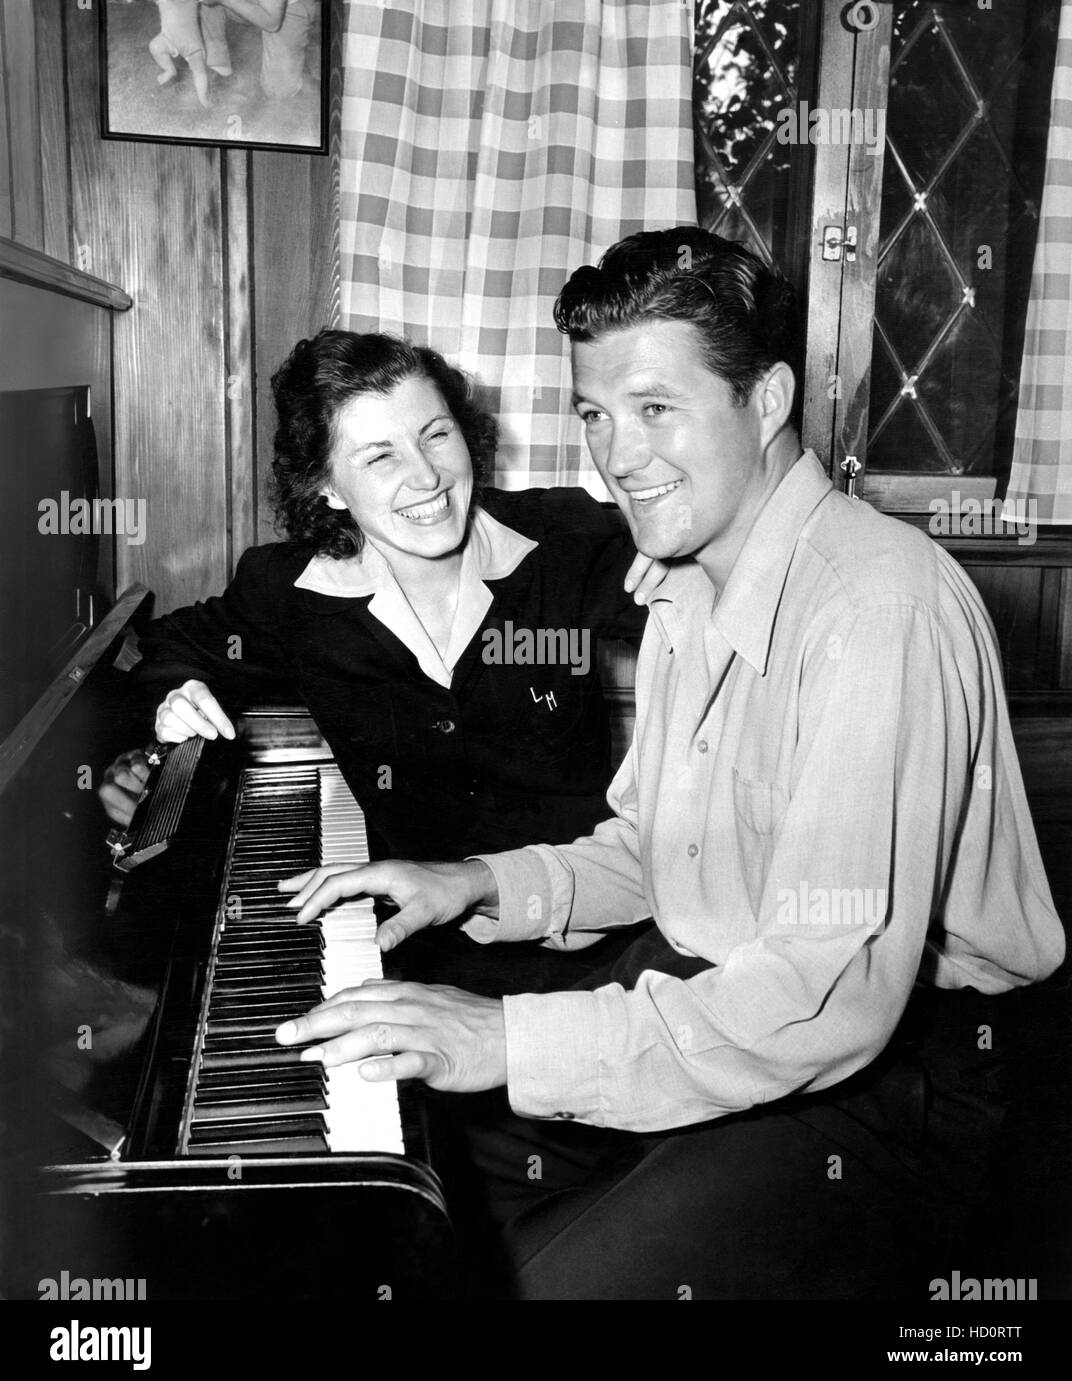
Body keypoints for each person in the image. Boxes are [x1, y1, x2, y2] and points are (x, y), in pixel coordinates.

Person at [271, 228, 1067, 1299]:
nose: (618, 455)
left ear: (769, 399)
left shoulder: (877, 609)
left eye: (656, 407)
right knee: (386, 1195)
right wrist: (475, 883)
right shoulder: (683, 580)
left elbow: (826, 999)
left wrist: (505, 1034)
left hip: (890, 1073)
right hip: (719, 993)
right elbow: (659, 851)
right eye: (596, 415)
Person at [101, 329, 659, 992]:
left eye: (436, 434)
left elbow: (714, 587)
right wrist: (173, 700)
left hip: (590, 939)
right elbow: (167, 647)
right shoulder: (292, 594)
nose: (426, 476)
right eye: (379, 457)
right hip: (423, 950)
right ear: (326, 487)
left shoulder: (565, 540)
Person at [149, 0, 214, 108]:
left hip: (192, 44)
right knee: (155, 46)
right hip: (167, 38)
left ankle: (203, 98)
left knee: (199, 70)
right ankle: (170, 70)